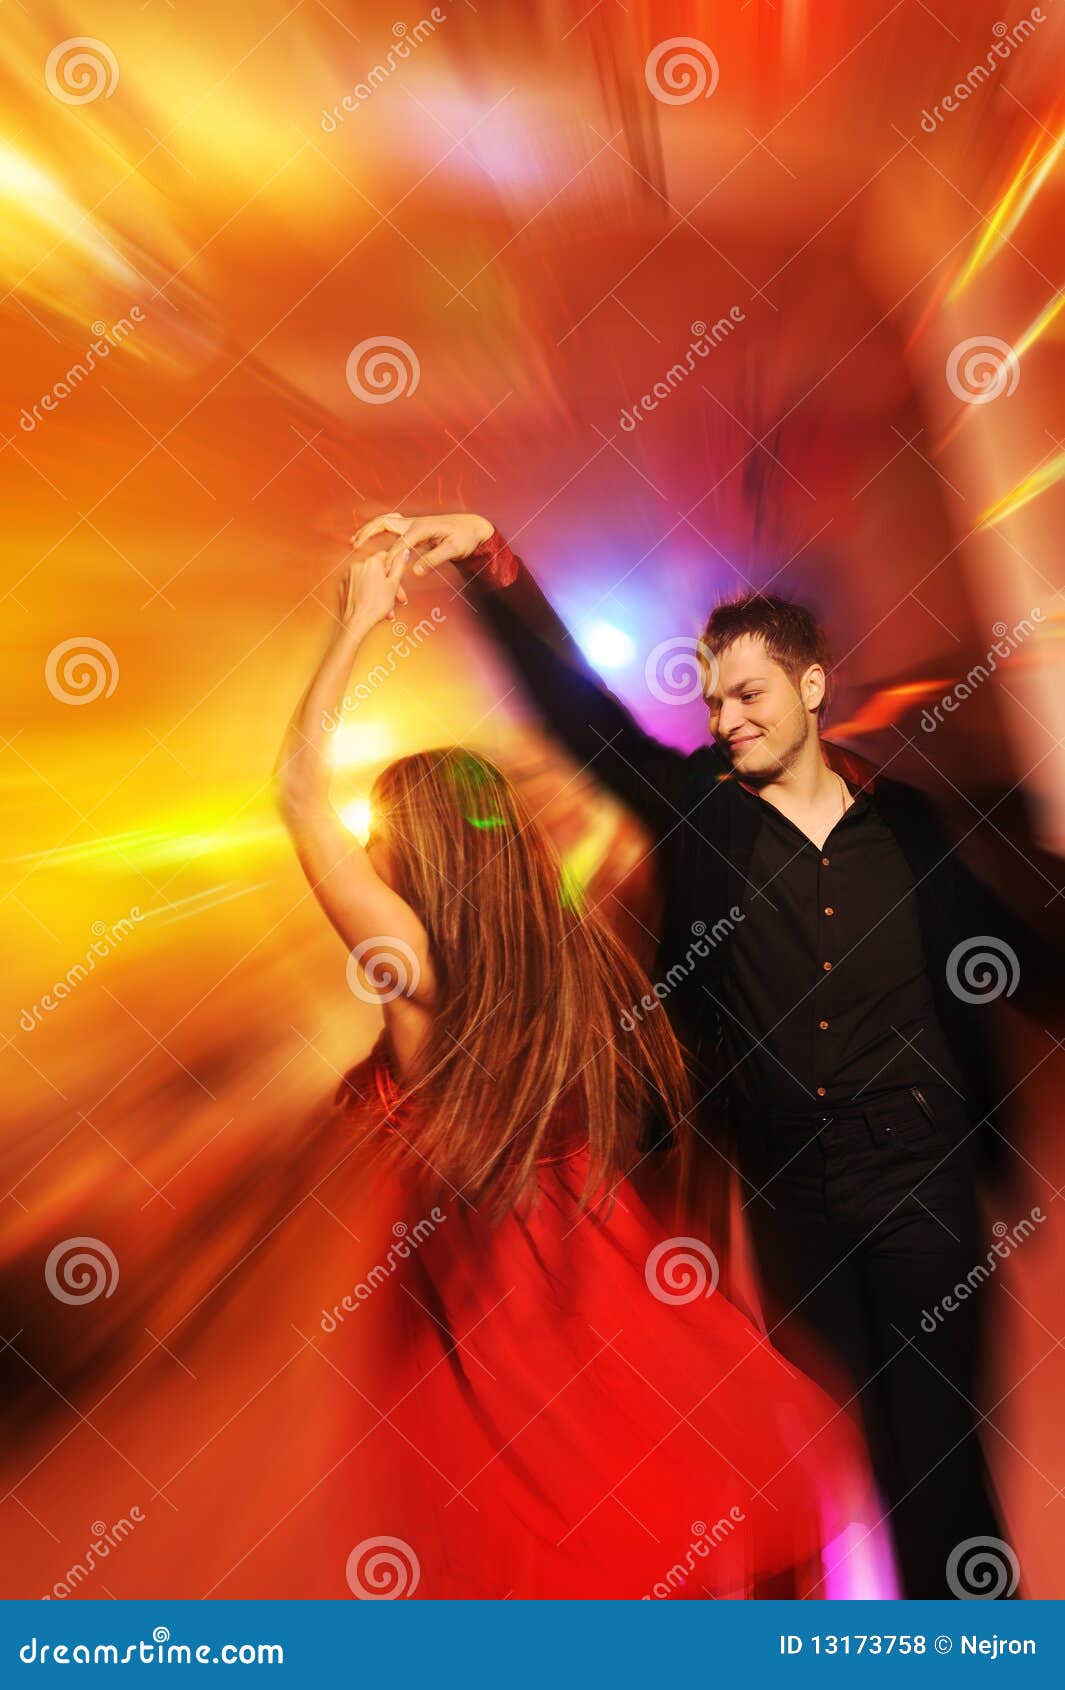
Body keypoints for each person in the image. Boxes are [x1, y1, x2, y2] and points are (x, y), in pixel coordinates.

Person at [350, 509, 1063, 1599]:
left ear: (812, 689)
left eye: (749, 694)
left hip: (921, 1187)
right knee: (853, 1449)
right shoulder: (699, 817)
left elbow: (1006, 955)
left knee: (941, 1465)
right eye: (711, 698)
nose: (724, 718)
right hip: (790, 1202)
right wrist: (494, 568)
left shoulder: (909, 830)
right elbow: (579, 723)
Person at [273, 545, 882, 1600]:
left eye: (379, 835)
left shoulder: (411, 967)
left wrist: (355, 622)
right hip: (589, 1279)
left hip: (486, 1322)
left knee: (533, 1536)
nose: (366, 857)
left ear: (409, 852)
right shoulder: (558, 962)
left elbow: (292, 792)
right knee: (653, 1477)